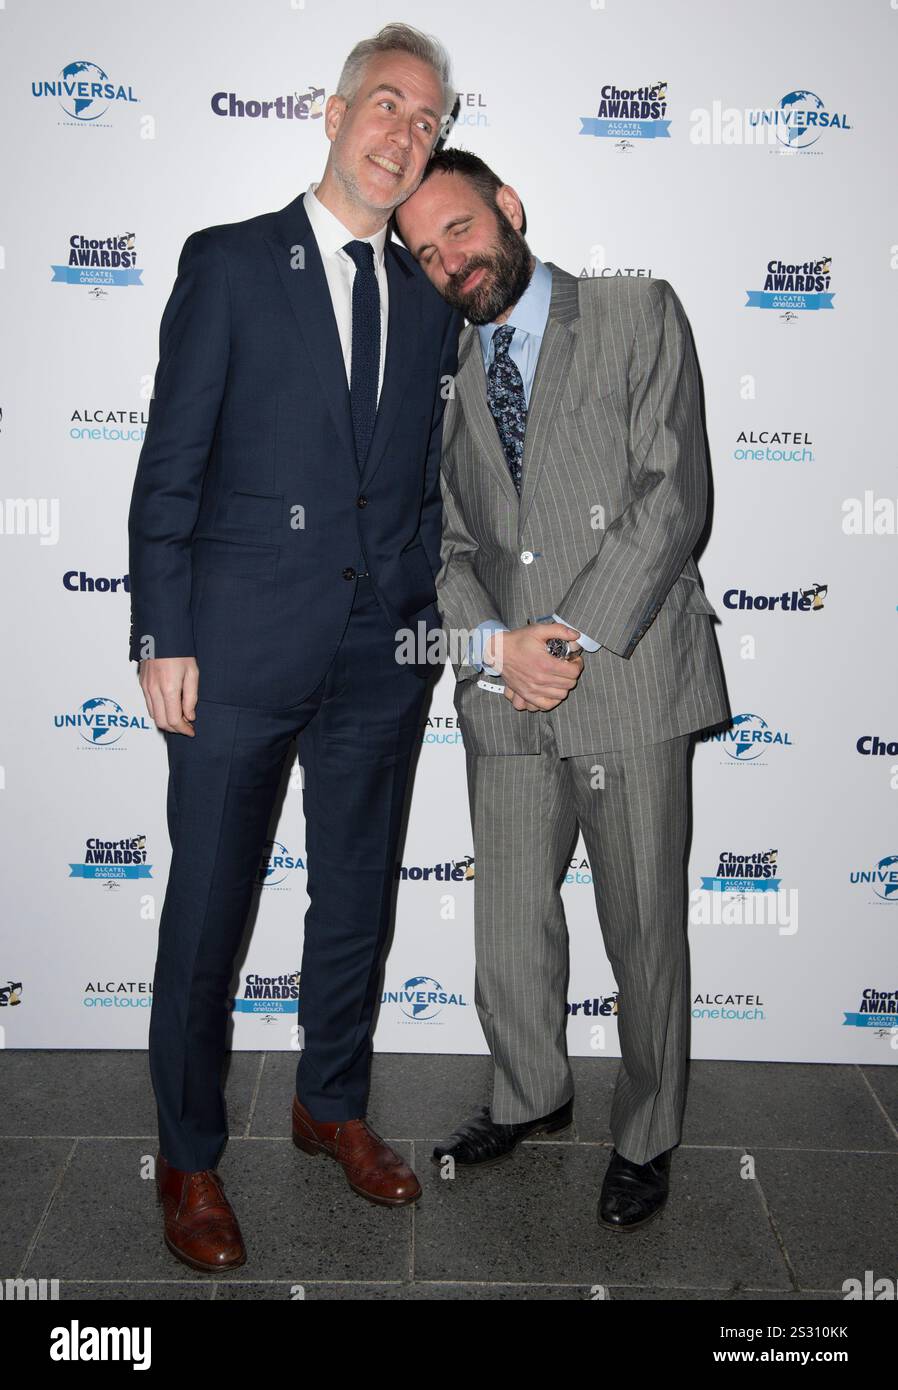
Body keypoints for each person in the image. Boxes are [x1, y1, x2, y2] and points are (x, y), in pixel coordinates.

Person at [127, 23, 461, 1271]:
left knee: (357, 898)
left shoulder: (431, 291)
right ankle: (190, 1152)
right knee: (208, 908)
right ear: (330, 115)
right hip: (238, 646)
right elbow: (170, 466)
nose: (403, 135)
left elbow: (422, 483)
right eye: (386, 106)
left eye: (427, 122)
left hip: (382, 651)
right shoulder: (225, 264)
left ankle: (330, 1103)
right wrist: (161, 628)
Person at [394, 150, 731, 1232]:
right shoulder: (438, 368)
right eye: (424, 250)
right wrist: (494, 644)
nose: (449, 259)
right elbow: (438, 541)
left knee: (643, 928)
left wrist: (568, 636)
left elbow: (669, 492)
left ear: (508, 207)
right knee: (507, 930)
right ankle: (530, 1094)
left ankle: (646, 1134)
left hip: (624, 674)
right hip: (502, 689)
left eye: (458, 228)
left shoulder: (636, 312)